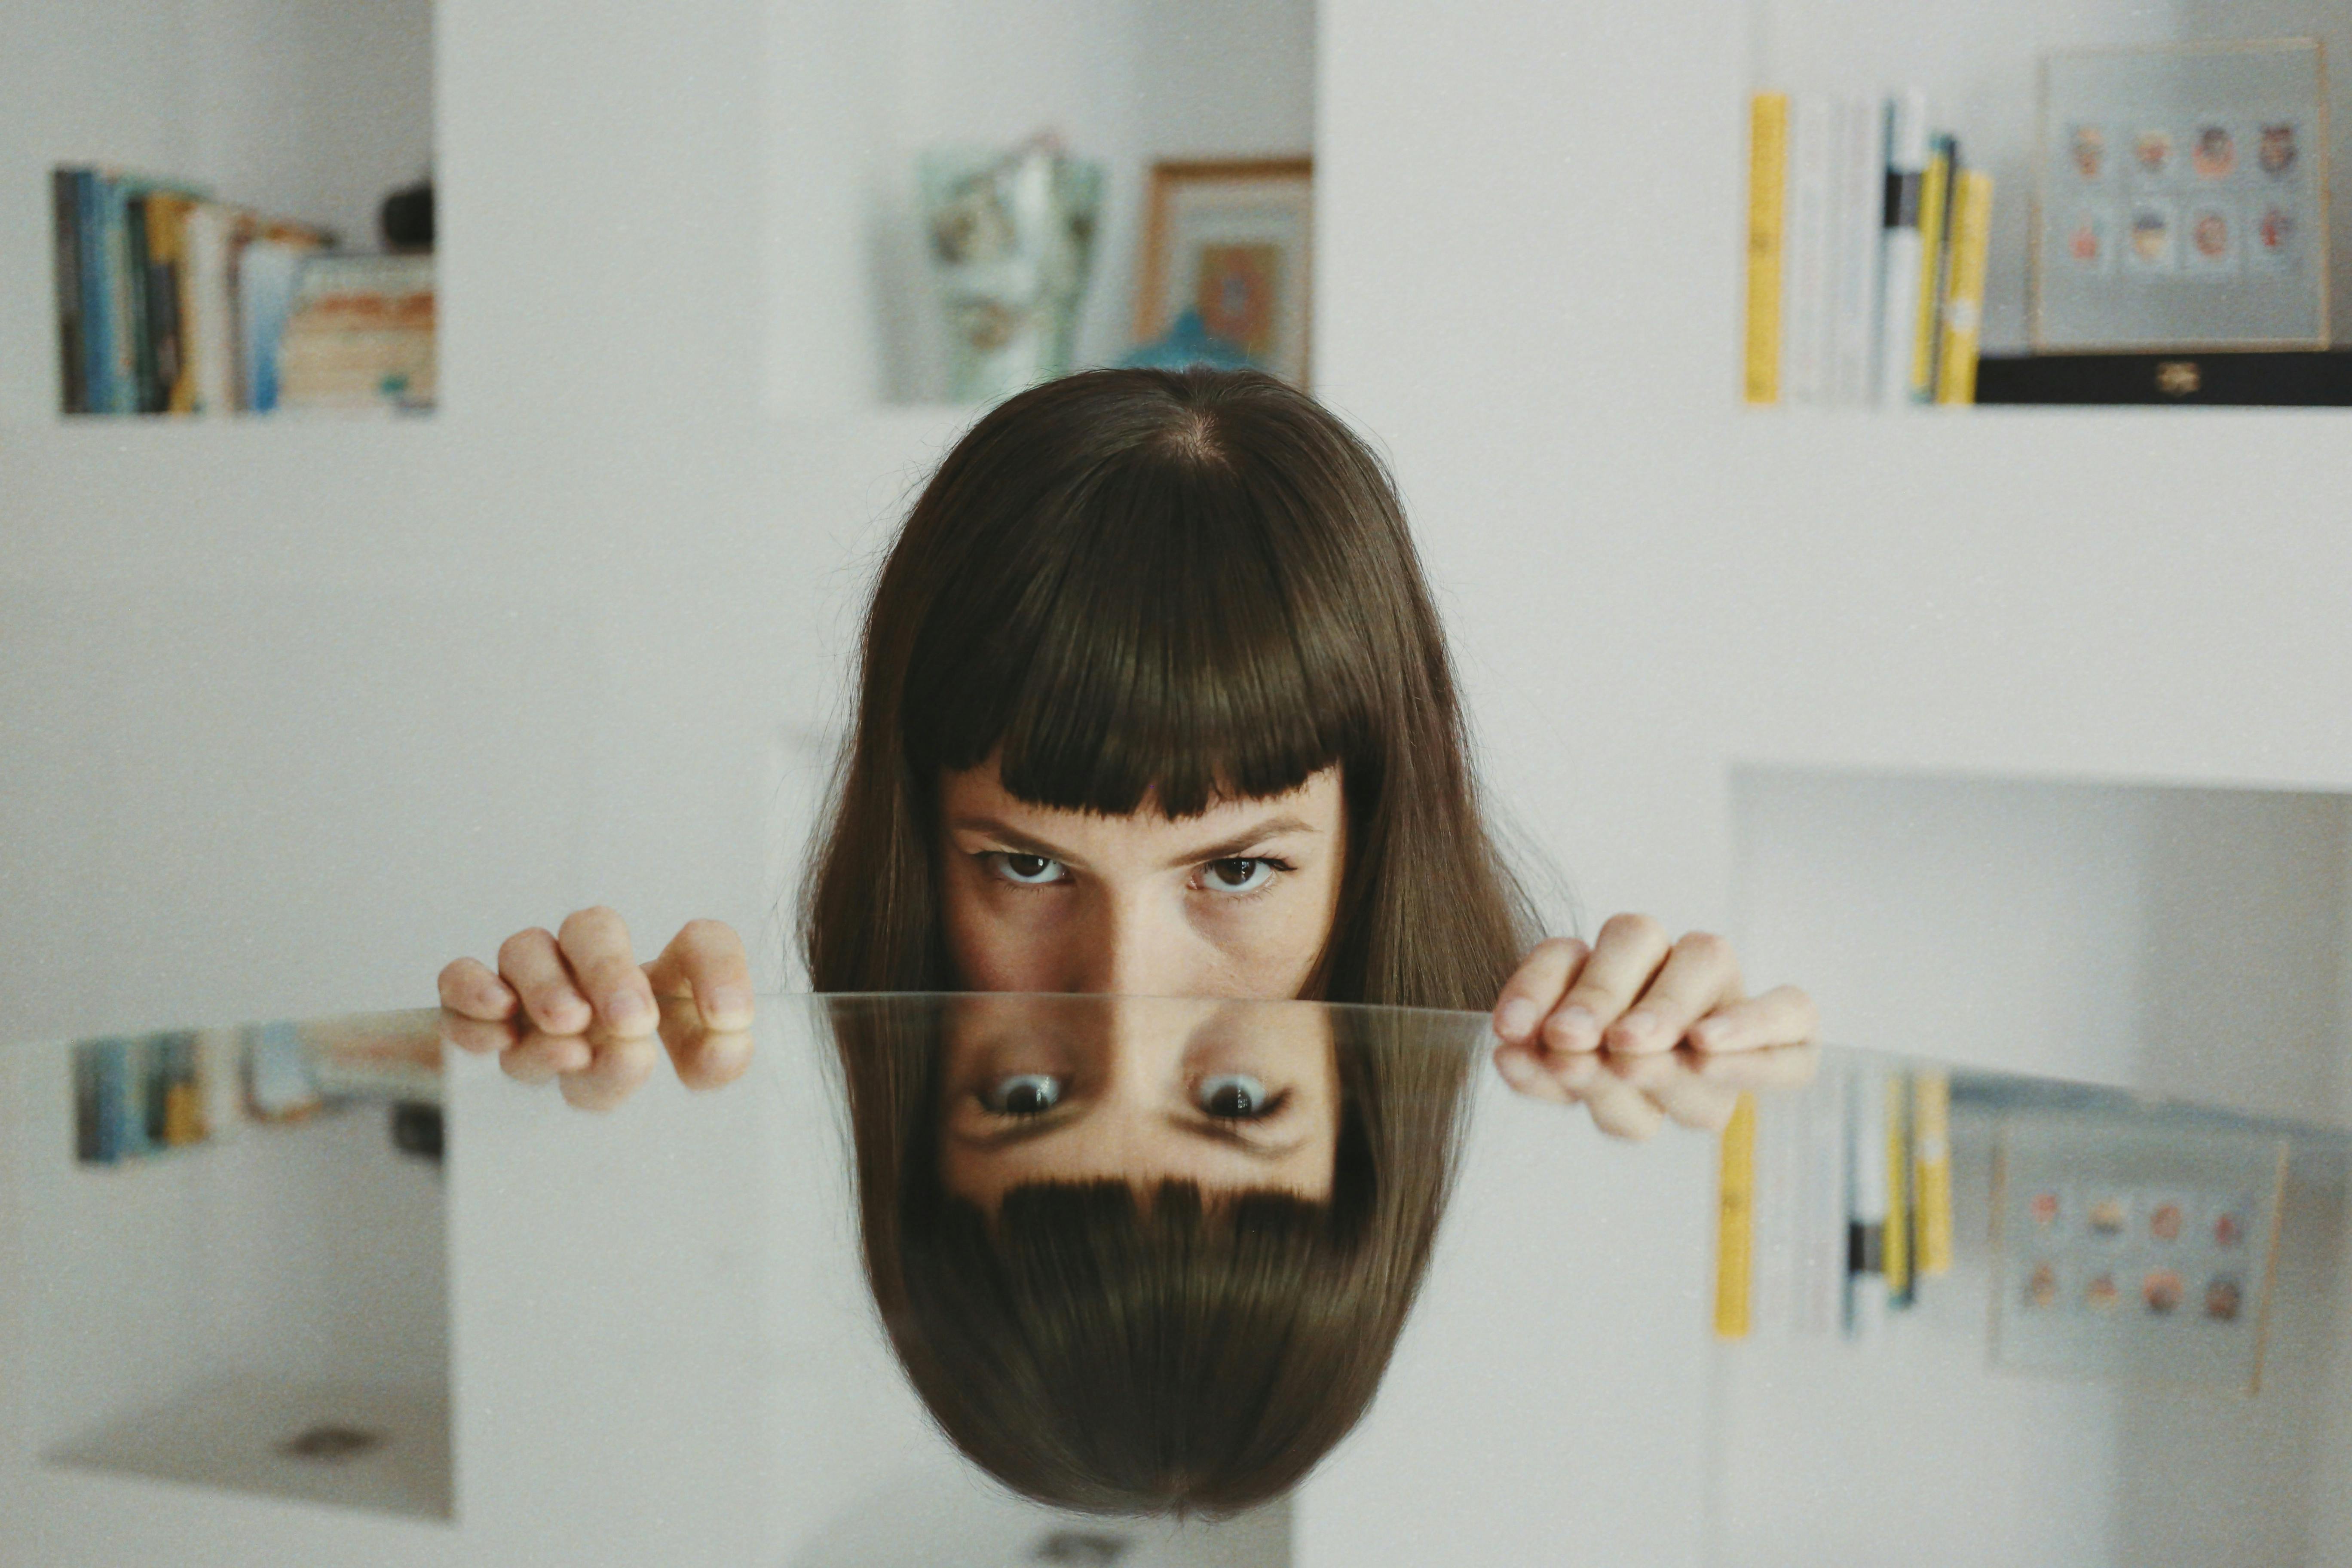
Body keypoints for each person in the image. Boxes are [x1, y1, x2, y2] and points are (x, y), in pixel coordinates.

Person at [436, 367, 1816, 1510]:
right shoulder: (787, 1041)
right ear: (917, 834)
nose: (1126, 994)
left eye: (1238, 868)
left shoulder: (1543, 1074)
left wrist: (1692, 1048)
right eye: (1028, 863)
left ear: (1375, 826)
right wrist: (576, 1057)